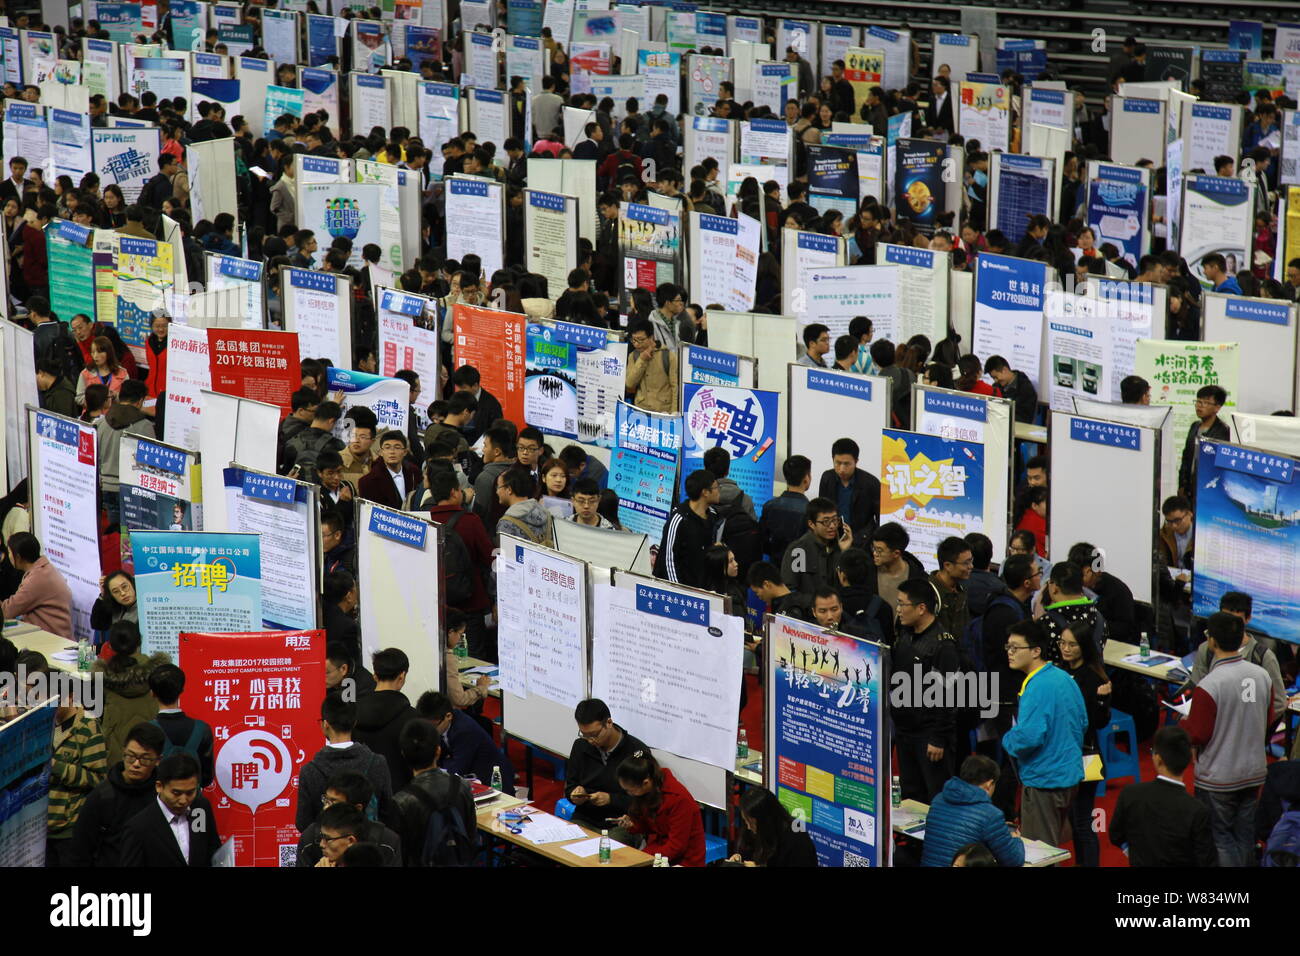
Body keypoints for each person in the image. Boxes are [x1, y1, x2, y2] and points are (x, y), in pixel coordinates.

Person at [1182, 611, 1277, 867]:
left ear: (1211, 641)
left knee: (1220, 838)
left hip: (1219, 775)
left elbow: (1198, 733)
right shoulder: (1262, 676)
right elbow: (1269, 717)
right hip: (1254, 770)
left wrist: (1183, 724)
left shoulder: (1210, 684)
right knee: (1245, 836)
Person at [1001, 620, 1087, 846]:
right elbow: (1083, 721)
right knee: (1053, 843)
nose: (1010, 653)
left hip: (1044, 781)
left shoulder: (1038, 686)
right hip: (1068, 775)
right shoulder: (1062, 677)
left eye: (1015, 648)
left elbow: (1029, 737)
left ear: (1036, 651)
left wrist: (1007, 739)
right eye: (1008, 647)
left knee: (1040, 853)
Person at [891, 578, 960, 802]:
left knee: (935, 797)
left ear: (921, 608)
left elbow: (948, 696)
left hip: (928, 736)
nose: (899, 610)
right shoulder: (904, 634)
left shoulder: (942, 645)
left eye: (903, 604)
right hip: (904, 731)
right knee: (910, 796)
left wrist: (938, 738)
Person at [1109, 725, 1217, 867]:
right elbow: (1206, 860)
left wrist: (1134, 853)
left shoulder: (1130, 794)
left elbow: (1116, 835)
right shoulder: (1197, 810)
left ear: (1158, 758)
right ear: (1190, 758)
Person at [67, 721, 167, 866]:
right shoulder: (102, 795)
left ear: (158, 760)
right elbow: (80, 851)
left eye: (145, 759)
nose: (136, 764)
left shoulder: (163, 795)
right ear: (123, 751)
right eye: (131, 756)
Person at [297, 693, 395, 833]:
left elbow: (303, 823)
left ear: (325, 724)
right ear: (354, 722)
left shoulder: (310, 771)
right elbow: (388, 813)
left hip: (328, 850)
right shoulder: (377, 763)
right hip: (368, 847)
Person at [1056, 622, 1111, 867]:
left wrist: (1101, 700)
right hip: (1062, 756)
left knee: (1081, 821)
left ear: (1084, 647)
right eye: (1062, 643)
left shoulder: (1094, 677)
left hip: (1086, 757)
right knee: (1072, 818)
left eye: (1072, 644)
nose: (1065, 649)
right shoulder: (1057, 671)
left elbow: (1098, 722)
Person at [1184, 592, 1287, 721]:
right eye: (1225, 618)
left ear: (1248, 618)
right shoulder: (1206, 649)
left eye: (1235, 621)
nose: (1229, 626)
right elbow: (1198, 688)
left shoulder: (1263, 657)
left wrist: (1257, 728)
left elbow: (1279, 702)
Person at [391, 718, 478, 867]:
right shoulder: (462, 786)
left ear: (403, 754)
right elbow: (471, 836)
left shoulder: (400, 801)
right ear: (438, 750)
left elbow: (401, 854)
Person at [45, 666, 109, 866]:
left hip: (70, 829)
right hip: (41, 827)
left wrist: (57, 767)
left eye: (53, 701)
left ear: (70, 697)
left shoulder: (88, 728)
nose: (47, 707)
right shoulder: (44, 725)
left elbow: (98, 779)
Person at [564, 698, 650, 838]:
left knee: (609, 852)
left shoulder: (636, 752)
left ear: (609, 723)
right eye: (584, 735)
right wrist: (575, 794)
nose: (590, 741)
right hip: (585, 818)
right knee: (565, 848)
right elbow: (570, 786)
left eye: (594, 735)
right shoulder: (581, 746)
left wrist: (611, 799)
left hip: (620, 822)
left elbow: (644, 801)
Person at [119, 752, 223, 867]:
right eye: (176, 793)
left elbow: (213, 850)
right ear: (159, 786)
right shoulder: (138, 828)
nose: (183, 800)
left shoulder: (200, 809)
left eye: (190, 792)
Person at [921, 755, 1026, 867]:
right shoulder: (990, 815)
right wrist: (1016, 839)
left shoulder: (938, 800)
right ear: (989, 784)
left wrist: (998, 830)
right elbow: (1014, 860)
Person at [94, 622, 171, 767]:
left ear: (111, 646)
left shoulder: (103, 676)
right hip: (151, 749)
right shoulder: (157, 672)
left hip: (115, 752)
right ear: (139, 641)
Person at [612, 750, 706, 866]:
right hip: (658, 849)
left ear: (646, 783)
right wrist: (632, 824)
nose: (629, 794)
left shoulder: (679, 799)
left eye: (630, 790)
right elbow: (646, 825)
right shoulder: (647, 791)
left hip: (684, 859)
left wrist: (643, 858)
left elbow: (676, 846)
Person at [296, 772, 403, 867]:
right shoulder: (310, 839)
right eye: (326, 800)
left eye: (333, 802)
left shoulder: (386, 842)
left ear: (357, 808)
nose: (326, 808)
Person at [416, 690, 515, 790]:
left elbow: (457, 769)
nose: (429, 731)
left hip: (493, 779)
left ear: (448, 716)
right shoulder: (440, 726)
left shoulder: (464, 730)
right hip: (471, 776)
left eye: (433, 726)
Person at [353, 647, 420, 791]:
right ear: (402, 676)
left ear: (375, 676)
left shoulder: (353, 712)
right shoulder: (412, 717)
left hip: (360, 795)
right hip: (400, 797)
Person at [148, 664, 214, 788]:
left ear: (152, 693)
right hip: (193, 801)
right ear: (181, 691)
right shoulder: (202, 729)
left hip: (157, 801)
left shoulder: (147, 731)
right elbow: (206, 778)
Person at [781, 497, 853, 606]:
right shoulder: (798, 550)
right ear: (811, 524)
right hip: (808, 614)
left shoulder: (840, 547)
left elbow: (849, 586)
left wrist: (845, 552)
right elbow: (789, 590)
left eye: (835, 520)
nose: (833, 526)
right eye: (826, 521)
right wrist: (817, 604)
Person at [653, 469, 719, 587]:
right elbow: (668, 559)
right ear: (705, 492)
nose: (719, 491)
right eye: (716, 488)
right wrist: (679, 591)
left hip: (702, 590)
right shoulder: (679, 519)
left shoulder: (713, 516)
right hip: (678, 590)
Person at [3, 532, 74, 639]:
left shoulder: (37, 578)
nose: (8, 556)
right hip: (54, 637)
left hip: (54, 641)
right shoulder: (45, 569)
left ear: (18, 557)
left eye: (9, 552)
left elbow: (7, 611)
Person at [728, 787, 818, 866]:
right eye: (745, 821)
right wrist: (739, 859)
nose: (748, 827)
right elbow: (748, 849)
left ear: (766, 821)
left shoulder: (797, 840)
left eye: (751, 823)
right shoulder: (753, 827)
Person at [1067, 541, 1136, 644]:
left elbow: (1126, 629)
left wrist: (1093, 625)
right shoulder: (1068, 585)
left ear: (1088, 572)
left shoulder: (1116, 590)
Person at [817, 437, 880, 545]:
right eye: (837, 463)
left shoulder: (871, 483)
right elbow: (821, 510)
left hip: (862, 542)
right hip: (833, 538)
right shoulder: (827, 478)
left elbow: (879, 519)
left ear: (856, 462)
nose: (841, 469)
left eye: (847, 464)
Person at [1038, 561, 1105, 662]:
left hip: (1059, 677)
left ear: (1054, 587)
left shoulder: (1045, 623)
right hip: (1092, 676)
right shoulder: (1098, 617)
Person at [1178, 385, 1229, 498]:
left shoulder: (1223, 432)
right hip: (1188, 489)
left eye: (1205, 403)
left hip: (1207, 490)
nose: (1200, 406)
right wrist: (1182, 484)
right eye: (1198, 401)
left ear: (1217, 407)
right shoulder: (1195, 426)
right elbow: (1186, 457)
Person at [760, 454, 811, 563]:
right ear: (806, 478)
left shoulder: (769, 506)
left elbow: (762, 541)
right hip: (800, 570)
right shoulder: (811, 511)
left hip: (774, 568)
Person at [625, 318, 680, 412]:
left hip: (663, 410)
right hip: (641, 409)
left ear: (651, 337)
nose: (637, 344)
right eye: (633, 340)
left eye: (641, 340)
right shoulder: (633, 356)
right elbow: (629, 384)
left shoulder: (668, 355)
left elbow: (675, 388)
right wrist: (642, 360)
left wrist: (674, 413)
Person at [285, 400, 345, 483]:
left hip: (295, 491)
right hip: (322, 493)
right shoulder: (335, 445)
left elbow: (285, 472)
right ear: (331, 421)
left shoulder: (291, 441)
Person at [494, 465, 555, 547]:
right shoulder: (545, 512)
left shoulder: (506, 523)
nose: (497, 492)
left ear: (509, 489)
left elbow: (506, 556)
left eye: (498, 487)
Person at [358, 430, 421, 509]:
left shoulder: (415, 473)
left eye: (397, 447)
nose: (392, 451)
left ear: (405, 452)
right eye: (387, 447)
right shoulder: (367, 482)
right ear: (381, 452)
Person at [930, 536, 973, 639]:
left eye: (971, 561)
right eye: (966, 563)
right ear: (947, 565)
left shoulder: (960, 590)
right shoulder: (929, 593)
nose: (971, 566)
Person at [984, 355, 1038, 424]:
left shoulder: (1025, 388)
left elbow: (1024, 417)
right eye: (993, 378)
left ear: (1004, 370)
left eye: (996, 377)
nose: (995, 381)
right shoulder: (996, 387)